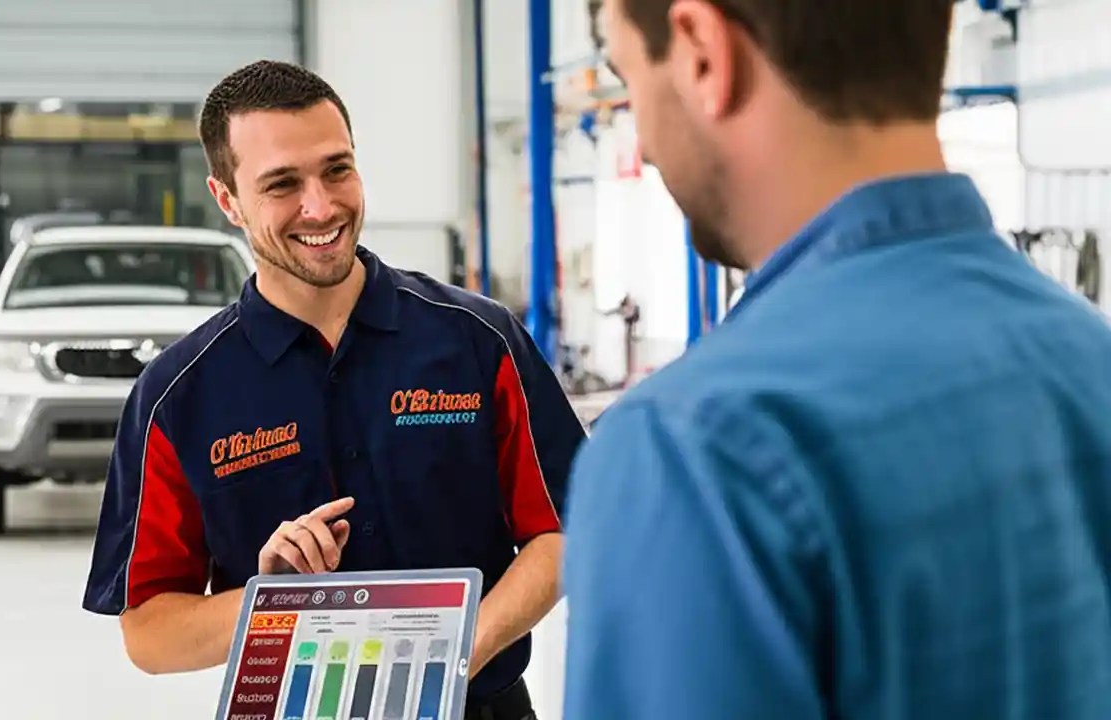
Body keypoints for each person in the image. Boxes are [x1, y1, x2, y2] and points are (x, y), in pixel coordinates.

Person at [562, 1, 1111, 719]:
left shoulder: (692, 447)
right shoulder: (1087, 356)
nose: (649, 143)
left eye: (627, 74)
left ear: (701, 50)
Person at [82, 60, 585, 720]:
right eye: (283, 184)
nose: (320, 207)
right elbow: (147, 630)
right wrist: (275, 607)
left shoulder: (478, 343)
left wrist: (465, 649)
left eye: (337, 169)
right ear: (227, 199)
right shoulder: (177, 398)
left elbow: (565, 529)